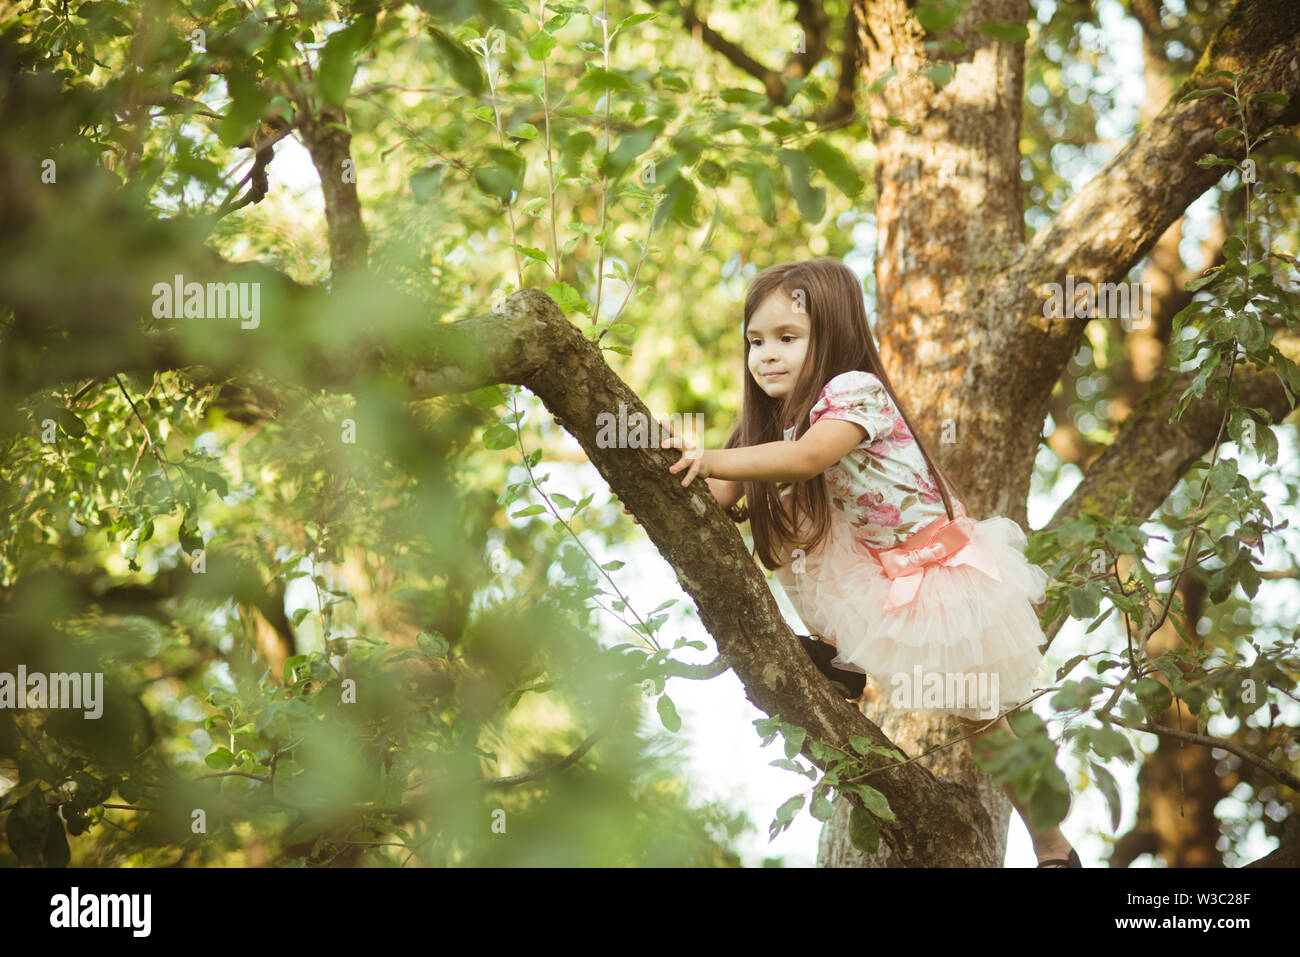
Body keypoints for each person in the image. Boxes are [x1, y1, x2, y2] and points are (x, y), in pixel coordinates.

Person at [655, 257, 1081, 868]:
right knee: (792, 519)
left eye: (787, 338)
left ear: (832, 335)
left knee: (982, 724)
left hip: (935, 575)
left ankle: (1053, 843)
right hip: (875, 568)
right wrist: (669, 466)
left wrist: (711, 459)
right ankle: (839, 656)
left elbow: (807, 459)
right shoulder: (774, 422)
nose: (766, 355)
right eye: (755, 341)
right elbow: (719, 495)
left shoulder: (856, 390)